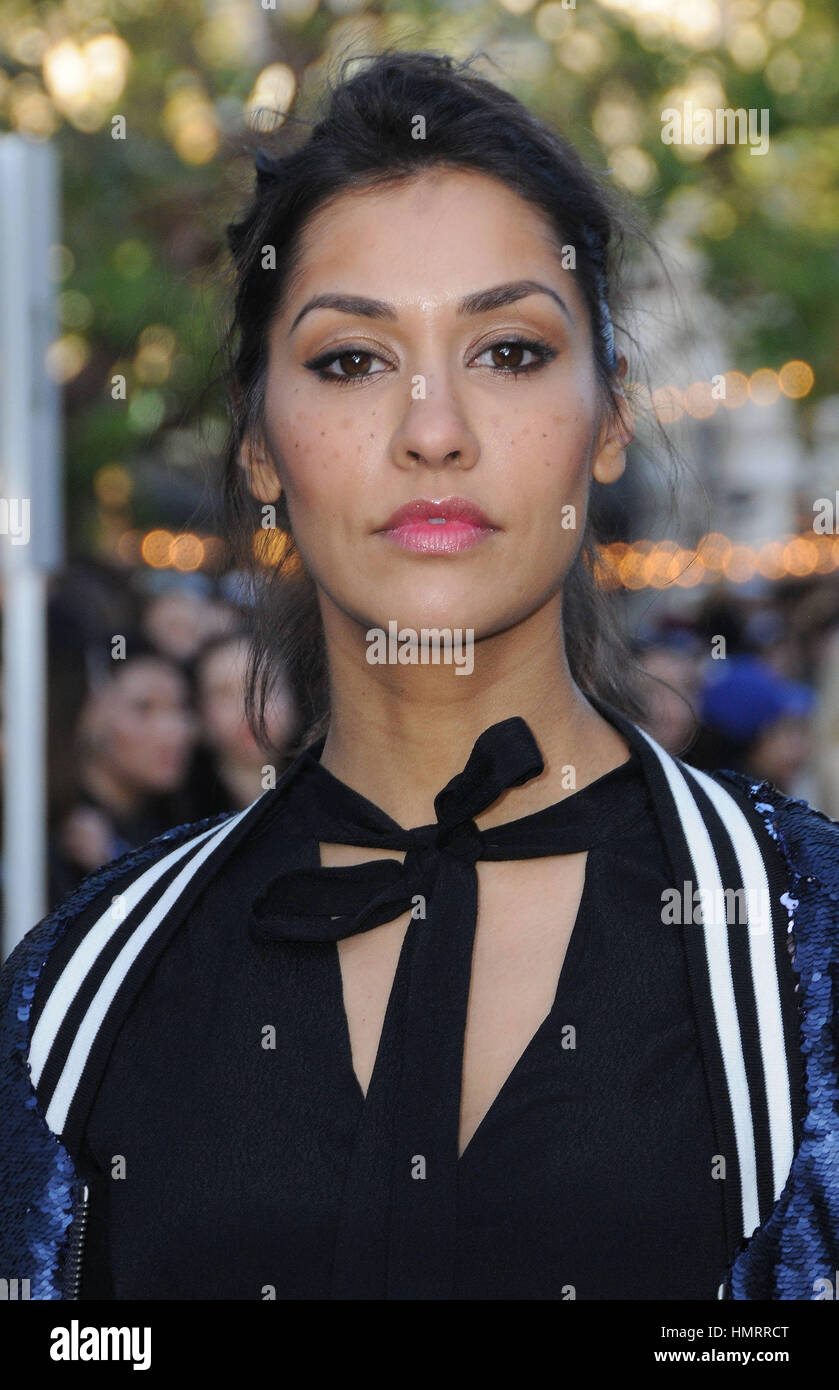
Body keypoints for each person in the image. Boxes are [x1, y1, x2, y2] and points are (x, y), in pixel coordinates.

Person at [1, 49, 838, 1303]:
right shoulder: (77, 996)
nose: (431, 428)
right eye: (350, 359)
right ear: (261, 441)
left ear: (610, 417)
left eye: (507, 350)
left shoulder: (806, 958)